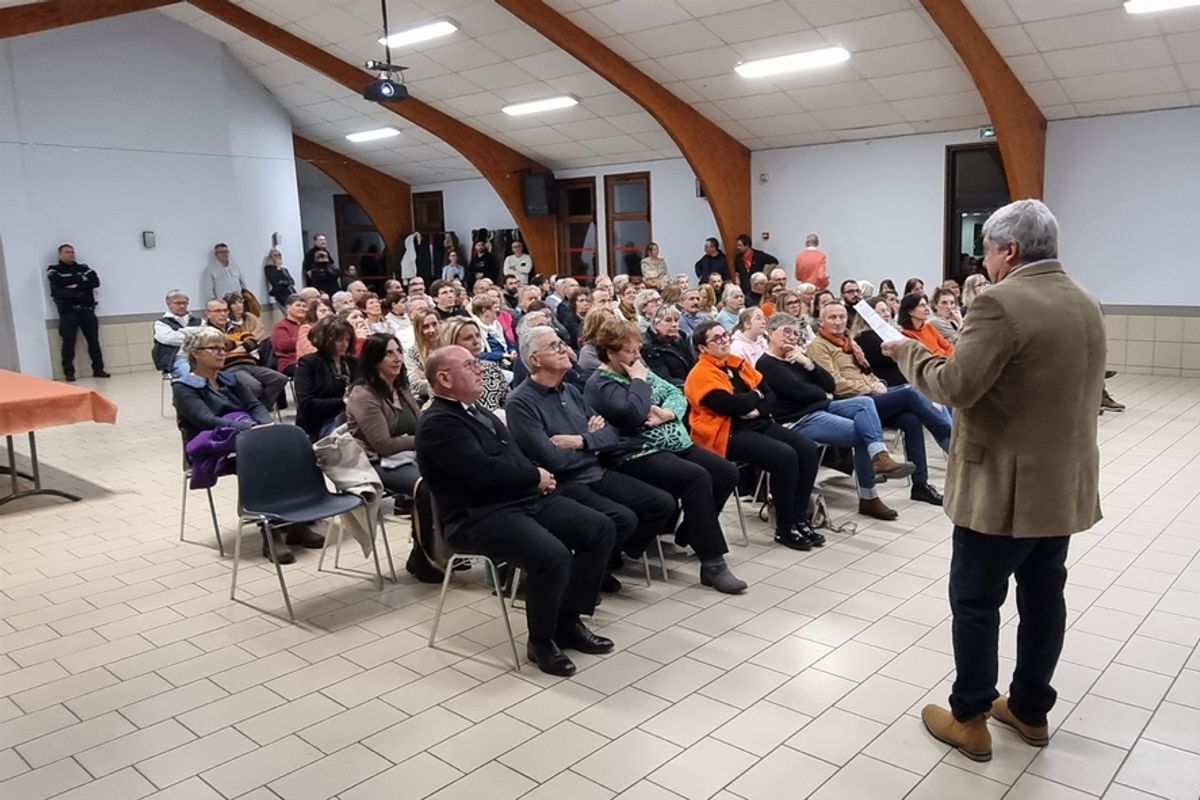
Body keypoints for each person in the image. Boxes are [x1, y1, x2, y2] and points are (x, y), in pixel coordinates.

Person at [878, 199, 1105, 764]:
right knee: (1044, 595)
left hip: (1004, 485)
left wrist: (906, 349)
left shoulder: (1001, 304)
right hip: (1061, 480)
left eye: (987, 251)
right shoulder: (1084, 299)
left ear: (1009, 251)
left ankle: (970, 715)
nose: (987, 262)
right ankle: (1030, 709)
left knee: (976, 600)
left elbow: (955, 385)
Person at [416, 345, 617, 676]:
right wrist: (534, 477)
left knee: (599, 528)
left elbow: (512, 455)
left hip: (516, 500)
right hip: (476, 515)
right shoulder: (439, 423)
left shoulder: (473, 409)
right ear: (444, 378)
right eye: (469, 365)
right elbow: (483, 473)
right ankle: (541, 642)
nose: (480, 368)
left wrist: (540, 477)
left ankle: (568, 621)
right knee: (552, 556)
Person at [507, 325, 677, 591]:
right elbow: (553, 459)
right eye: (553, 346)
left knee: (662, 504)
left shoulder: (570, 391)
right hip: (564, 484)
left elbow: (611, 436)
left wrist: (581, 440)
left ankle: (601, 560)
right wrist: (593, 444)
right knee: (622, 518)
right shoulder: (521, 403)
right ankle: (586, 570)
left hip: (595, 470)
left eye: (561, 342)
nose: (563, 348)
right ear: (535, 360)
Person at [586, 319, 747, 593]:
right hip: (636, 451)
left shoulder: (638, 369)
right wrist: (638, 380)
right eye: (629, 351)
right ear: (610, 353)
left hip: (672, 441)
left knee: (726, 473)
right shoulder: (600, 383)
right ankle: (713, 564)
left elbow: (675, 393)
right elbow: (633, 413)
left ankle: (694, 531)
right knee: (695, 477)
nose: (636, 357)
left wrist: (666, 413)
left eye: (637, 349)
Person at [172, 327, 319, 563]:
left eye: (223, 348)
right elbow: (206, 420)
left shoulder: (231, 379)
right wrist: (250, 430)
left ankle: (296, 523)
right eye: (214, 348)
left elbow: (255, 406)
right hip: (211, 447)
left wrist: (267, 425)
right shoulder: (184, 387)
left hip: (246, 436)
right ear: (195, 353)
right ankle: (271, 532)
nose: (222, 353)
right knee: (263, 458)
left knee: (291, 450)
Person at [756, 314, 915, 521]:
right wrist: (822, 394)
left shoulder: (797, 358)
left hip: (820, 408)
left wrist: (809, 364)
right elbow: (802, 392)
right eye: (786, 331)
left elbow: (829, 384)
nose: (792, 337)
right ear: (770, 333)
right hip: (798, 420)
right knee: (863, 432)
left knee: (865, 403)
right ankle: (870, 494)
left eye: (796, 333)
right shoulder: (767, 364)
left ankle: (880, 457)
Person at [685, 320, 823, 551]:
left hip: (758, 422)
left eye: (725, 335)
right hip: (727, 432)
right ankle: (785, 526)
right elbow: (727, 404)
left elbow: (769, 395)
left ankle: (801, 518)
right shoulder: (700, 373)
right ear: (702, 348)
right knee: (785, 457)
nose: (724, 341)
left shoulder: (736, 363)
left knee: (807, 449)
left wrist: (757, 406)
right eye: (716, 339)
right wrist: (755, 397)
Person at [807, 302, 948, 506]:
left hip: (870, 396)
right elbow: (835, 384)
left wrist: (878, 383)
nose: (838, 322)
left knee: (911, 419)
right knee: (910, 395)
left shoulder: (850, 343)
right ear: (821, 321)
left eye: (841, 317)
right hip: (849, 403)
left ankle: (920, 485)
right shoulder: (818, 346)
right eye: (832, 318)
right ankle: (950, 439)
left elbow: (868, 373)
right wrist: (869, 388)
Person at [344, 334, 441, 581]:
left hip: (409, 454)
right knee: (427, 486)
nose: (398, 358)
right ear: (374, 359)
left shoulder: (401, 386)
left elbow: (419, 425)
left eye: (398, 351)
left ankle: (446, 548)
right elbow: (383, 444)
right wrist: (419, 440)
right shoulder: (363, 394)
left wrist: (420, 439)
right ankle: (422, 555)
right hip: (376, 462)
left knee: (454, 473)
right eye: (389, 353)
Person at [206, 298, 287, 410]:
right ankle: (255, 412)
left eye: (225, 310)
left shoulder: (235, 327)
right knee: (254, 386)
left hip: (249, 364)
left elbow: (252, 341)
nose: (223, 314)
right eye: (218, 311)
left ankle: (261, 410)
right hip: (228, 368)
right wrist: (236, 344)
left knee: (279, 379)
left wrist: (237, 347)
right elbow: (217, 346)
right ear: (208, 313)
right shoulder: (206, 332)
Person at [47, 244, 108, 381]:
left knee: (94, 342)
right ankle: (69, 373)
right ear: (60, 255)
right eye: (67, 252)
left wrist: (75, 286)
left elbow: (95, 282)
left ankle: (98, 369)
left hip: (87, 310)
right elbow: (57, 290)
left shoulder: (84, 269)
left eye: (72, 252)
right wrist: (80, 285)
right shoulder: (55, 271)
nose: (71, 254)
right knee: (68, 343)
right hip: (69, 312)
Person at [294, 315, 357, 440]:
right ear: (326, 339)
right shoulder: (309, 363)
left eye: (347, 340)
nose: (344, 344)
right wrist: (344, 402)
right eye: (339, 340)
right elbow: (307, 403)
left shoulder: (353, 363)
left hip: (352, 417)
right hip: (320, 422)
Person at [439, 317, 509, 411]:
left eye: (478, 335)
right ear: (452, 343)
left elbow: (509, 402)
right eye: (468, 338)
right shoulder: (447, 377)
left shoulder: (491, 368)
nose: (476, 342)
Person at [641, 305, 694, 387]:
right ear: (656, 324)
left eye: (676, 320)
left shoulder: (682, 338)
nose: (674, 324)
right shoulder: (649, 348)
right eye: (668, 320)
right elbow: (664, 379)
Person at [153, 290, 202, 376]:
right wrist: (195, 334)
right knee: (191, 375)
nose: (182, 306)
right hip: (176, 358)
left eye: (185, 303)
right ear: (169, 304)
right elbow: (169, 339)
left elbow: (207, 337)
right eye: (178, 303)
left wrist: (181, 332)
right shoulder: (160, 323)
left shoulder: (200, 321)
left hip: (201, 357)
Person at [899, 292, 954, 358]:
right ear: (910, 311)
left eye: (926, 305)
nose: (927, 309)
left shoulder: (928, 327)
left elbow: (948, 347)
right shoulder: (907, 335)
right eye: (922, 305)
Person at [406, 307, 441, 404]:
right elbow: (415, 384)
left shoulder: (451, 343)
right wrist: (441, 383)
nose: (432, 330)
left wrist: (428, 377)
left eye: (435, 324)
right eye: (426, 326)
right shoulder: (413, 353)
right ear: (418, 330)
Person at [270, 293, 308, 376]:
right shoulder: (280, 326)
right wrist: (305, 338)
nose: (302, 308)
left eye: (304, 306)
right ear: (288, 307)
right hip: (289, 362)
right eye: (298, 305)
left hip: (308, 359)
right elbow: (284, 345)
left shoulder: (307, 325)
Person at [576, 307, 615, 380]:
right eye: (611, 325)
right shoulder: (588, 353)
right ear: (597, 329)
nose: (617, 327)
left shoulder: (617, 345)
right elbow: (613, 376)